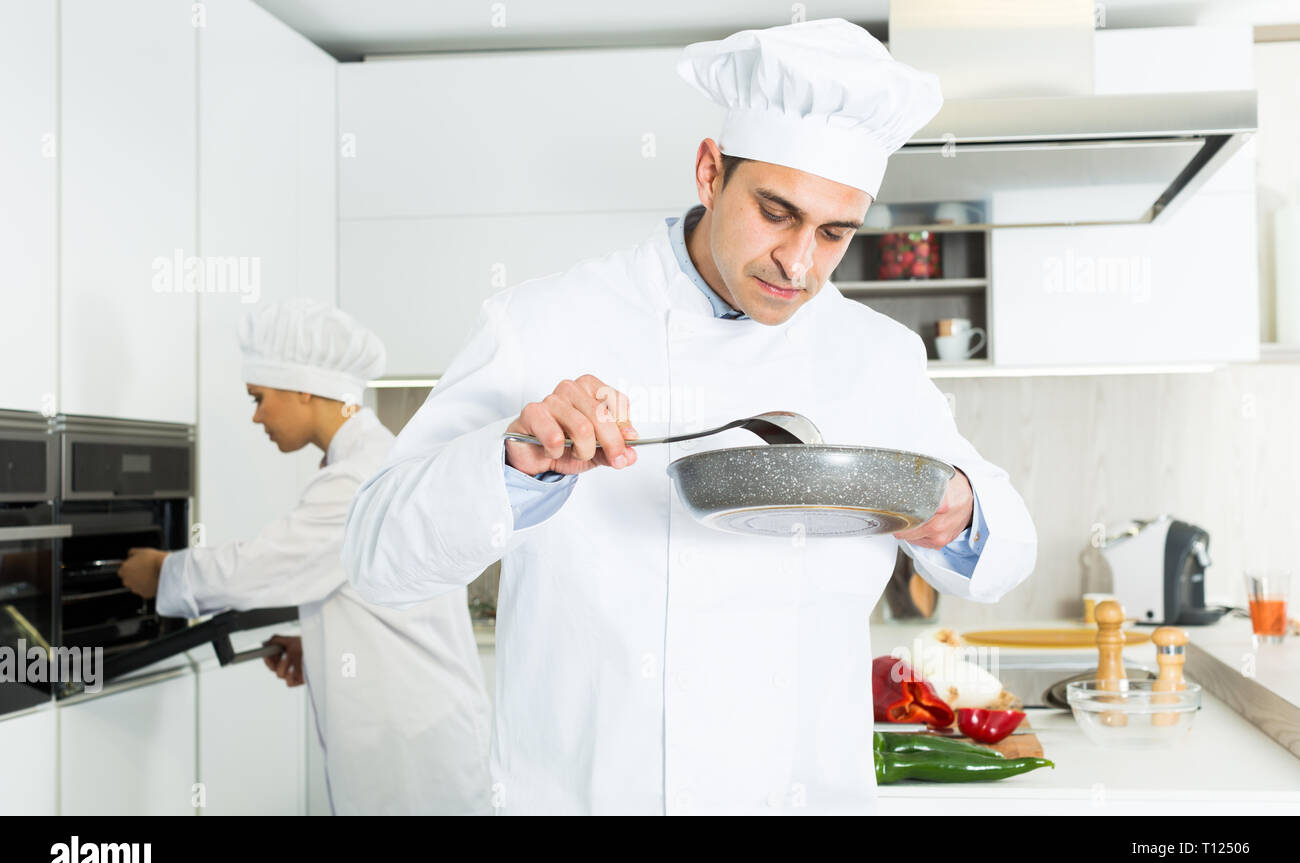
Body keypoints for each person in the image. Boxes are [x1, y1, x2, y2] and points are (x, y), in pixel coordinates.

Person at [341, 18, 1037, 815]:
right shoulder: (542, 324)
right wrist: (511, 462)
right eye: (776, 213)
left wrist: (960, 507)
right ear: (710, 171)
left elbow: (1007, 549)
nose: (799, 263)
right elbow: (376, 558)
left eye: (835, 231)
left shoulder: (876, 356)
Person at [118, 299, 492, 815]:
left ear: (301, 388)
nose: (256, 417)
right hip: (417, 738)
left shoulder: (359, 478)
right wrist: (318, 644)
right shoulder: (374, 460)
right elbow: (369, 593)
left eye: (259, 398)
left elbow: (264, 567)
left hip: (414, 758)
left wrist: (162, 572)